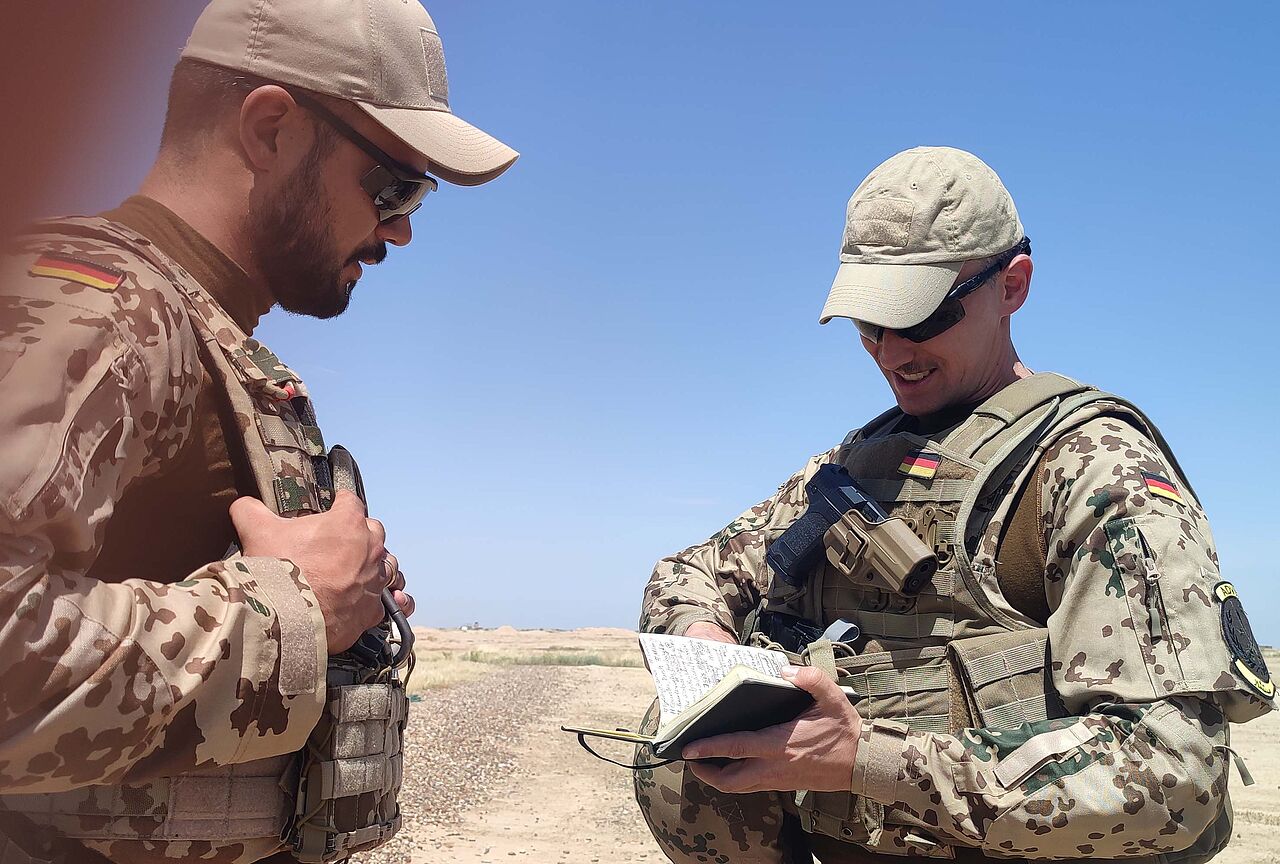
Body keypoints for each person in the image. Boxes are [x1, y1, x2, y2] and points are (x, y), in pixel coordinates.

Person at [634, 146, 1274, 864]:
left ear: (1013, 285)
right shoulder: (854, 464)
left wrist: (863, 759)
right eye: (868, 325)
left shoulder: (1093, 466)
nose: (889, 351)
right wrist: (710, 646)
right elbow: (689, 571)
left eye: (922, 317)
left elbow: (1173, 776)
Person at [0, 1, 517, 861]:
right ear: (271, 127)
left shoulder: (204, 335)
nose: (403, 229)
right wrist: (295, 612)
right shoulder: (97, 309)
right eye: (393, 186)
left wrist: (346, 594)